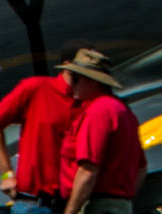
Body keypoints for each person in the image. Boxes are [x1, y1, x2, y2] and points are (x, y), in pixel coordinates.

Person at [0, 42, 87, 214]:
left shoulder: (88, 102)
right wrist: (7, 174)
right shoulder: (36, 88)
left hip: (69, 204)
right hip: (33, 202)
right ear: (67, 65)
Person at [60, 48, 146, 214]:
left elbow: (88, 171)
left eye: (76, 78)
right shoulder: (122, 111)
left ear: (93, 81)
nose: (71, 84)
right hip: (119, 205)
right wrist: (122, 201)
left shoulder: (98, 112)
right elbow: (141, 169)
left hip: (101, 206)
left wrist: (70, 211)